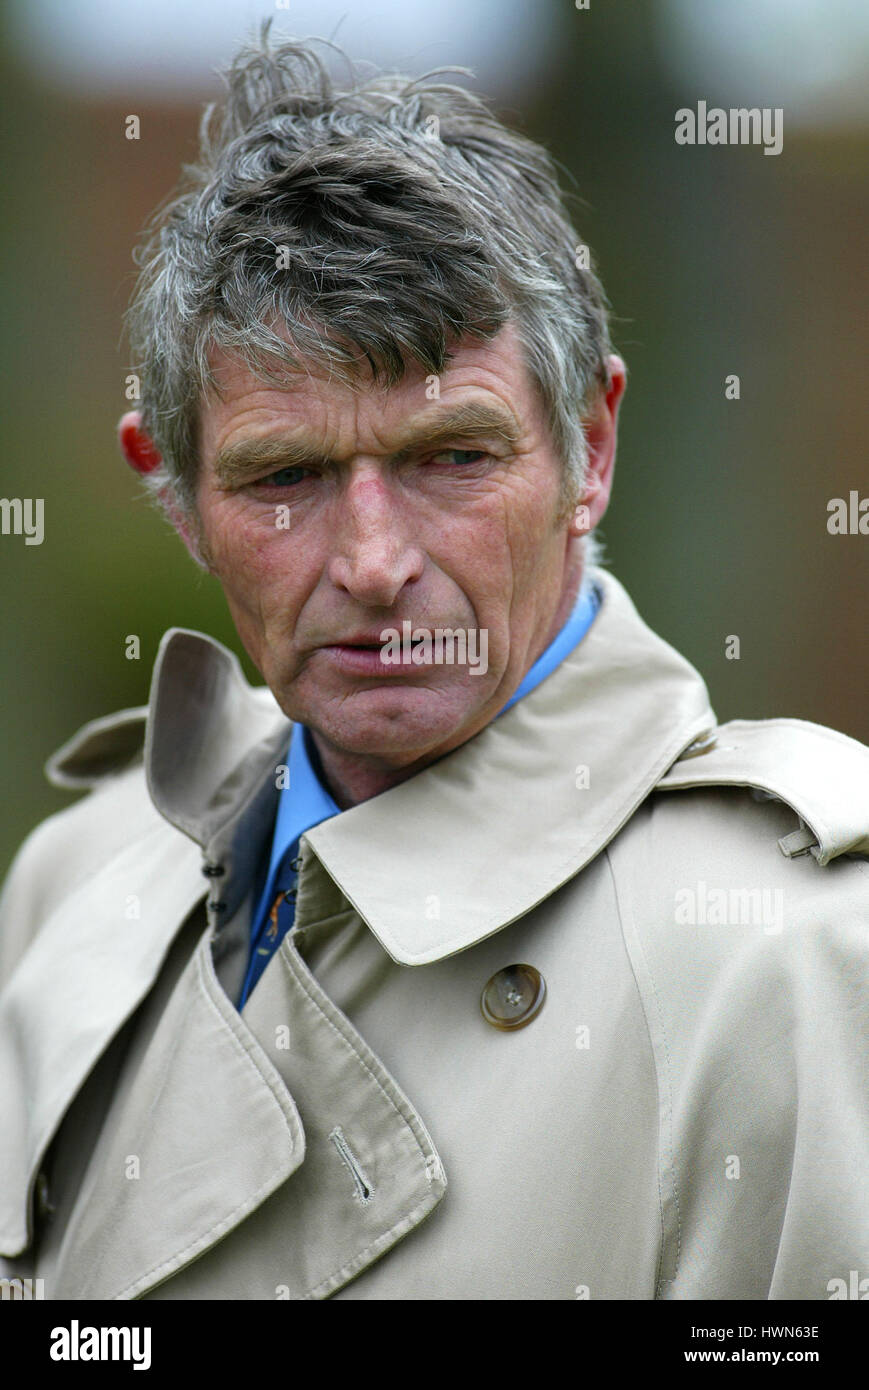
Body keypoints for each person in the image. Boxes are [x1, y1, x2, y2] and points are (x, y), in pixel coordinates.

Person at [1, 25, 867, 1302]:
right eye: (284, 477)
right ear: (172, 489)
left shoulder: (791, 958)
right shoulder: (82, 875)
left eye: (452, 457)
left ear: (590, 447)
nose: (370, 560)